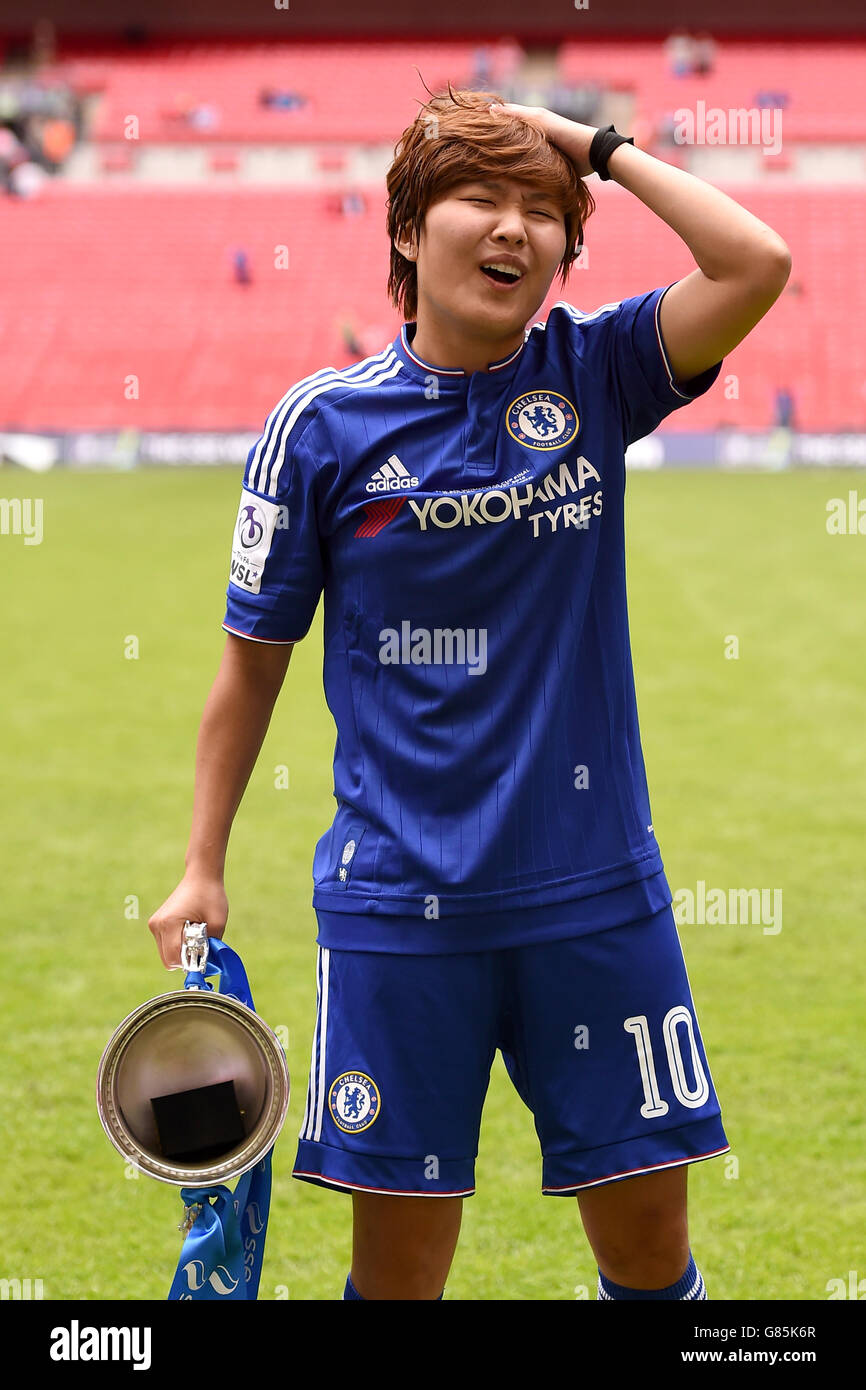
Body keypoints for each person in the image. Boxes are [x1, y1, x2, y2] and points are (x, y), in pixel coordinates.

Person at [148, 87, 791, 1301]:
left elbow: (753, 261)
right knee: (398, 1280)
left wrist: (592, 146)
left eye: (542, 214)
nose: (513, 230)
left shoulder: (595, 371)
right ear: (404, 231)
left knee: (652, 1262)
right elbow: (252, 662)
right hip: (398, 910)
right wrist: (200, 864)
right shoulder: (320, 430)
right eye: (477, 200)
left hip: (594, 898)